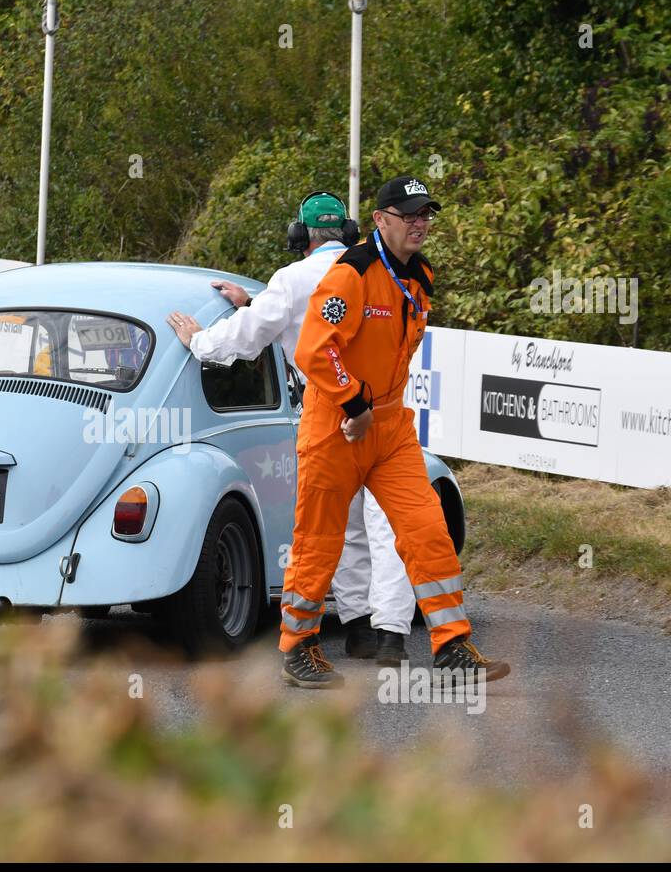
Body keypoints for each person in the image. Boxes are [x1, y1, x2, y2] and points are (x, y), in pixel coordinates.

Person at [278, 176, 511, 687]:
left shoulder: (420, 276)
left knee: (428, 529)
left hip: (391, 427)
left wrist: (374, 410)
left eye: (425, 214)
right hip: (336, 423)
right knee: (319, 540)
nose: (419, 223)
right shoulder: (352, 273)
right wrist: (355, 404)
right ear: (381, 220)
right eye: (408, 215)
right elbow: (314, 350)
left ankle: (452, 645)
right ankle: (298, 647)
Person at [167, 191, 416, 670]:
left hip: (326, 411)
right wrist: (258, 301)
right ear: (348, 231)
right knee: (384, 525)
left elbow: (243, 340)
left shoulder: (291, 280)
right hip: (381, 408)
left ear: (298, 236)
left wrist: (198, 339)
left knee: (329, 526)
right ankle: (387, 636)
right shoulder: (376, 269)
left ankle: (343, 628)